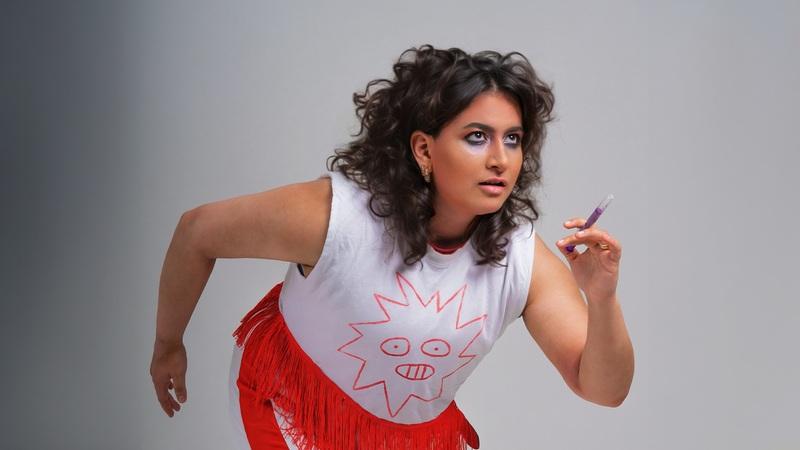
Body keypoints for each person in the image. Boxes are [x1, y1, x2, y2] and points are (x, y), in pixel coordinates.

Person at [150, 44, 634, 449]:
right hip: (293, 401)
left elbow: (603, 390)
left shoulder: (523, 258)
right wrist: (168, 344)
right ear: (424, 149)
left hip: (411, 435)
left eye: (512, 139)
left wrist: (603, 296)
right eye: (476, 137)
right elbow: (197, 232)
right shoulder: (337, 217)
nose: (499, 159)